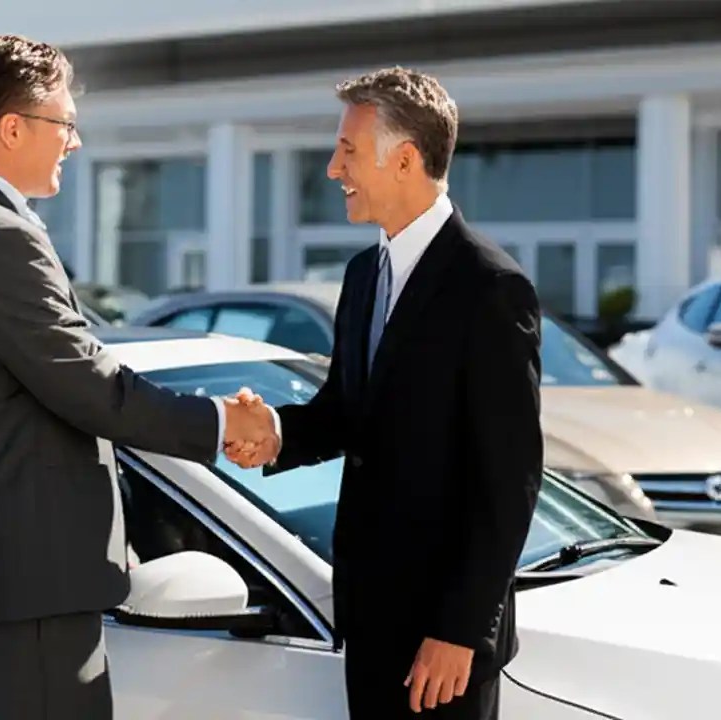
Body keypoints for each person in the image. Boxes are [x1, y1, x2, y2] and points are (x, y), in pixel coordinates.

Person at [0, 34, 277, 720]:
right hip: (26, 585)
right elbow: (90, 388)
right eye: (64, 123)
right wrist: (223, 423)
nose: (74, 141)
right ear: (12, 129)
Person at [227, 67, 543, 719]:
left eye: (347, 151)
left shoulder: (489, 289)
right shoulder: (364, 275)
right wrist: (276, 434)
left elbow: (509, 481)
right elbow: (348, 415)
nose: (332, 169)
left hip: (442, 645)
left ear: (404, 160)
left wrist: (460, 630)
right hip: (371, 621)